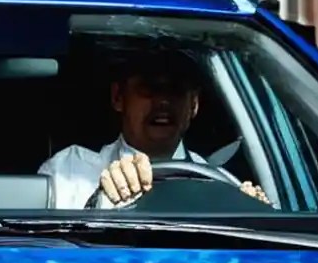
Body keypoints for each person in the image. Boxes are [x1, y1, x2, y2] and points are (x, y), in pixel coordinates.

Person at [39, 57, 269, 209]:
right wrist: (104, 202)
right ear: (118, 97)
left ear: (193, 105)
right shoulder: (69, 172)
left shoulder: (222, 188)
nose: (163, 101)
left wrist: (252, 216)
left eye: (176, 89)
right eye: (149, 87)